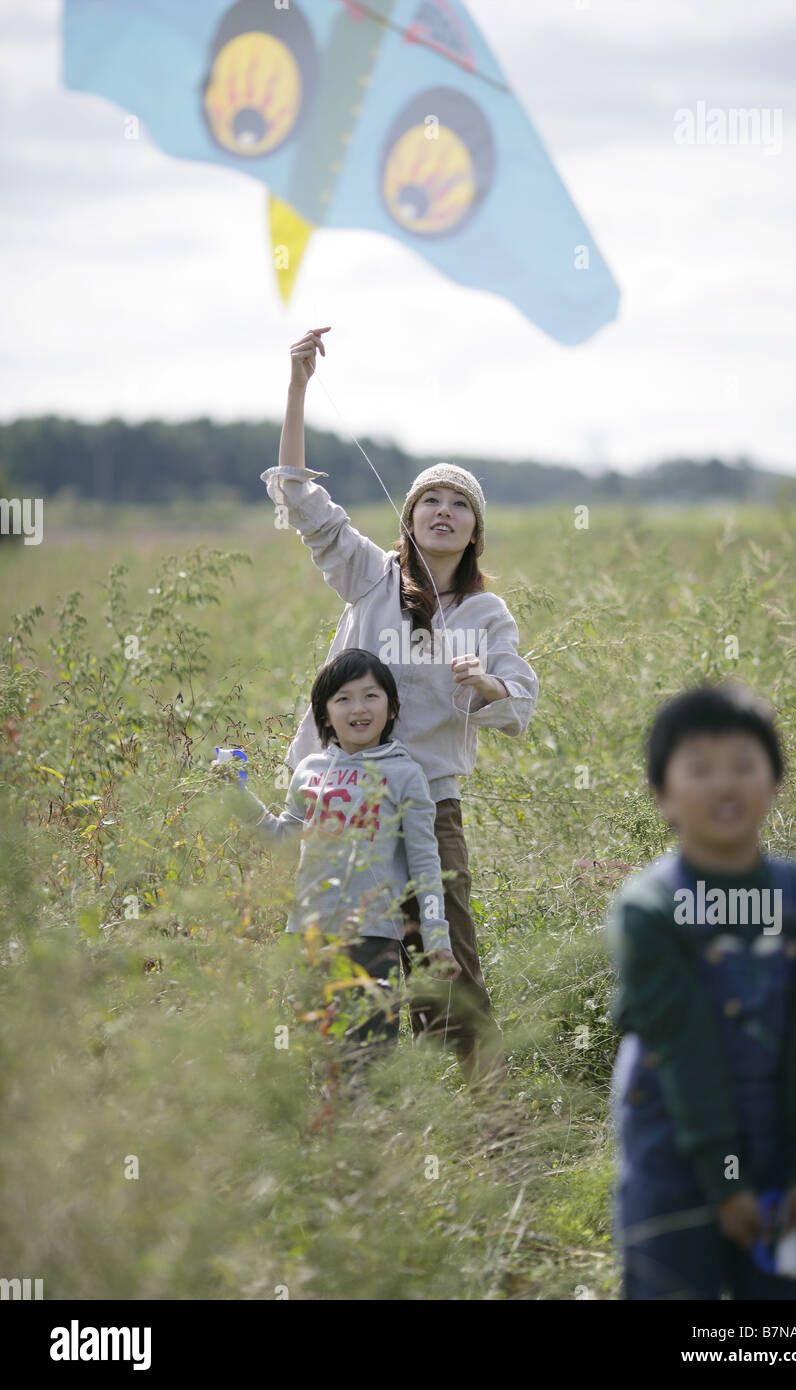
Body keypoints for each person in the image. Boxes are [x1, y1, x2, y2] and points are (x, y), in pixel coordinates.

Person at [260, 325, 539, 1095]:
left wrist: (481, 686)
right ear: (410, 517)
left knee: (448, 960)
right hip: (341, 799)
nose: (443, 512)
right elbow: (297, 492)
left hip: (428, 806)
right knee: (346, 959)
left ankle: (486, 1114)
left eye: (459, 504)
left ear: (475, 528)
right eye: (429, 501)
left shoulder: (487, 613)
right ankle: (347, 1103)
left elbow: (518, 705)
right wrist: (298, 386)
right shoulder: (369, 576)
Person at [606, 682, 796, 1300]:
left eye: (744, 766)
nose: (724, 785)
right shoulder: (650, 910)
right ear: (663, 795)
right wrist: (726, 1181)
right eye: (700, 769)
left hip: (784, 1152)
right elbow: (685, 1053)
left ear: (774, 782)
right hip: (673, 1155)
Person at [228, 648, 459, 1061]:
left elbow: (426, 866)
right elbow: (283, 838)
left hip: (372, 936)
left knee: (369, 1052)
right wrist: (236, 794)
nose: (359, 708)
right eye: (344, 698)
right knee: (315, 1049)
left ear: (392, 709)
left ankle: (374, 1126)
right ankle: (325, 1125)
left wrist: (437, 936)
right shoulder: (309, 771)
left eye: (371, 696)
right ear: (324, 714)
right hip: (308, 933)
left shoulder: (405, 775)